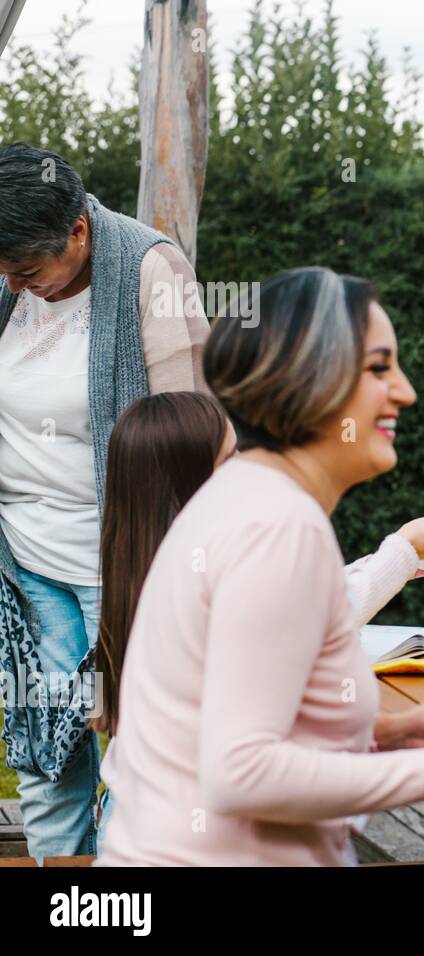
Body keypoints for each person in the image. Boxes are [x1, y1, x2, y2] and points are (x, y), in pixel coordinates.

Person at [98, 268, 424, 866]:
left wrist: (398, 732)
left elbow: (232, 722)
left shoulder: (248, 499)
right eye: (377, 368)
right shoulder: (277, 528)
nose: (405, 391)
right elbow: (239, 773)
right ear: (307, 382)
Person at [0, 143, 209, 862]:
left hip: (127, 565)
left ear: (80, 232)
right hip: (27, 565)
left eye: (28, 271)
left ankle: (121, 889)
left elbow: (194, 432)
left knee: (141, 748)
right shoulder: (7, 280)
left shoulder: (152, 271)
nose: (16, 286)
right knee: (45, 750)